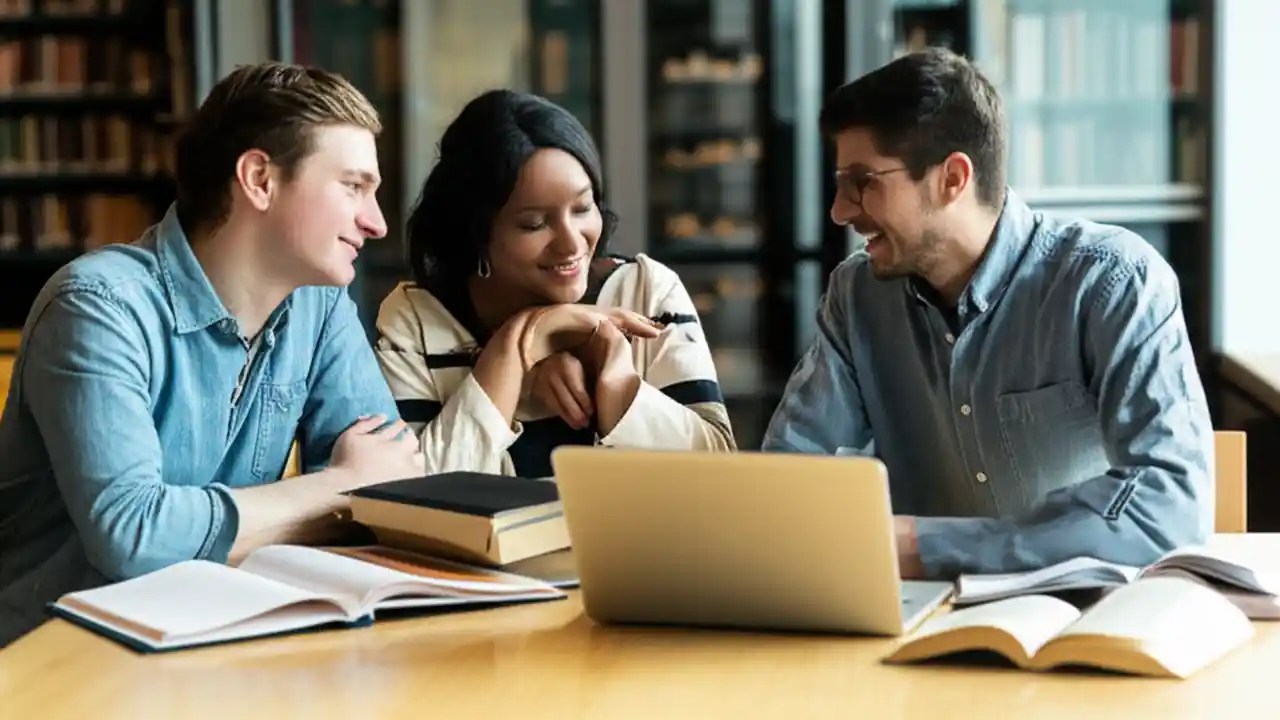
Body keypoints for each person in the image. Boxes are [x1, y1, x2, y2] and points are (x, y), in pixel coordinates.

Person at [0, 63, 423, 646]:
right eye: (353, 186)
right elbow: (133, 537)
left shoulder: (320, 305)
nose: (375, 223)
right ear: (259, 179)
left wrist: (353, 489)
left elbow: (390, 497)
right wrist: (337, 487)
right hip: (58, 666)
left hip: (218, 645)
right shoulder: (97, 307)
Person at [763, 48, 1213, 579]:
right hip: (909, 627)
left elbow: (1170, 507)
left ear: (952, 178)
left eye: (862, 182)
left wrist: (924, 546)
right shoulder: (856, 297)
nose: (840, 210)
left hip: (1076, 622)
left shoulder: (1112, 282)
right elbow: (784, 489)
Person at [375, 90, 735, 478]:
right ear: (476, 232)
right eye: (534, 224)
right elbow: (415, 499)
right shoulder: (416, 319)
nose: (571, 242)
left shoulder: (647, 291)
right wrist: (517, 351)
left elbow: (719, 473)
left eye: (583, 208)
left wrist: (617, 389)